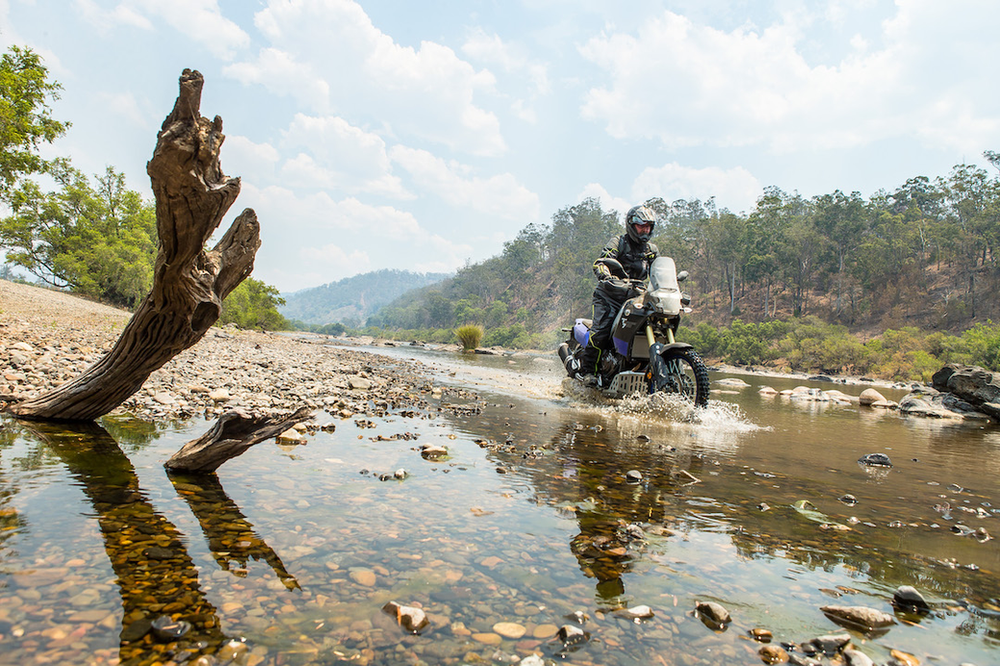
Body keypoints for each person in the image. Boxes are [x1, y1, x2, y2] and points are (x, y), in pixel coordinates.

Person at [570, 204, 659, 381]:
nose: (644, 230)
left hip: (636, 299)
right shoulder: (619, 242)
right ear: (632, 225)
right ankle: (589, 372)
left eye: (648, 226)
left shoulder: (651, 250)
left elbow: (657, 271)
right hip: (609, 296)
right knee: (601, 332)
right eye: (641, 226)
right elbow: (602, 261)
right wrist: (604, 274)